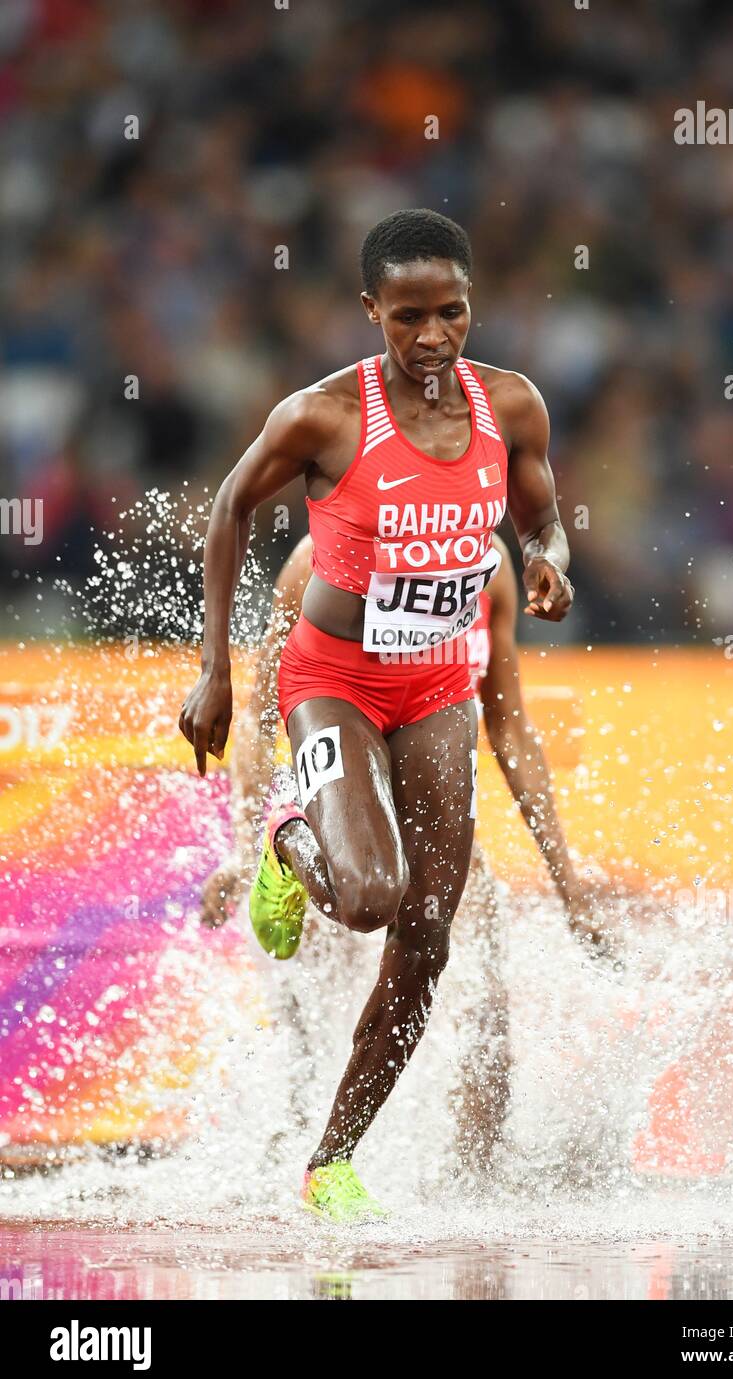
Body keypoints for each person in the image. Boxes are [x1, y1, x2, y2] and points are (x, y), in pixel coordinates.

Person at [179, 208, 574, 1221]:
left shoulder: (512, 407)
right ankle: (284, 845)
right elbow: (229, 507)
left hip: (436, 688)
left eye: (450, 312)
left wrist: (548, 562)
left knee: (428, 935)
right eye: (407, 317)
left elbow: (538, 511)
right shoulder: (324, 417)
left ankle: (331, 1160)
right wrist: (217, 673)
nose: (432, 337)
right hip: (335, 681)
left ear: (471, 304)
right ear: (371, 313)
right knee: (365, 899)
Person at [200, 531, 605, 1177]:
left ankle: (478, 1183)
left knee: (483, 1006)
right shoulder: (316, 561)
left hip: (428, 819)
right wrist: (245, 848)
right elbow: (258, 717)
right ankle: (291, 1152)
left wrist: (569, 884)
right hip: (342, 814)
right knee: (312, 1014)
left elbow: (510, 726)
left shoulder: (490, 568)